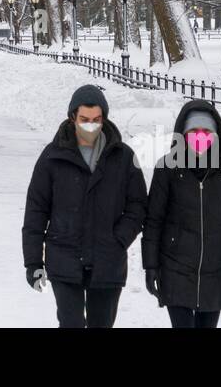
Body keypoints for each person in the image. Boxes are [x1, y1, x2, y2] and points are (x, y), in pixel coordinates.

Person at [22, 85, 147, 328]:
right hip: (64, 257)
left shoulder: (123, 157)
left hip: (107, 261)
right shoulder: (52, 157)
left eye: (96, 120)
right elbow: (36, 210)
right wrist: (33, 261)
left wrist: (119, 238)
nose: (90, 125)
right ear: (72, 118)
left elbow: (138, 205)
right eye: (84, 120)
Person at [142, 100, 221, 328]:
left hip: (215, 268)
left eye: (205, 131)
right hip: (174, 266)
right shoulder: (167, 169)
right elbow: (154, 221)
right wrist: (150, 265)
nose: (199, 136)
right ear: (183, 133)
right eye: (193, 131)